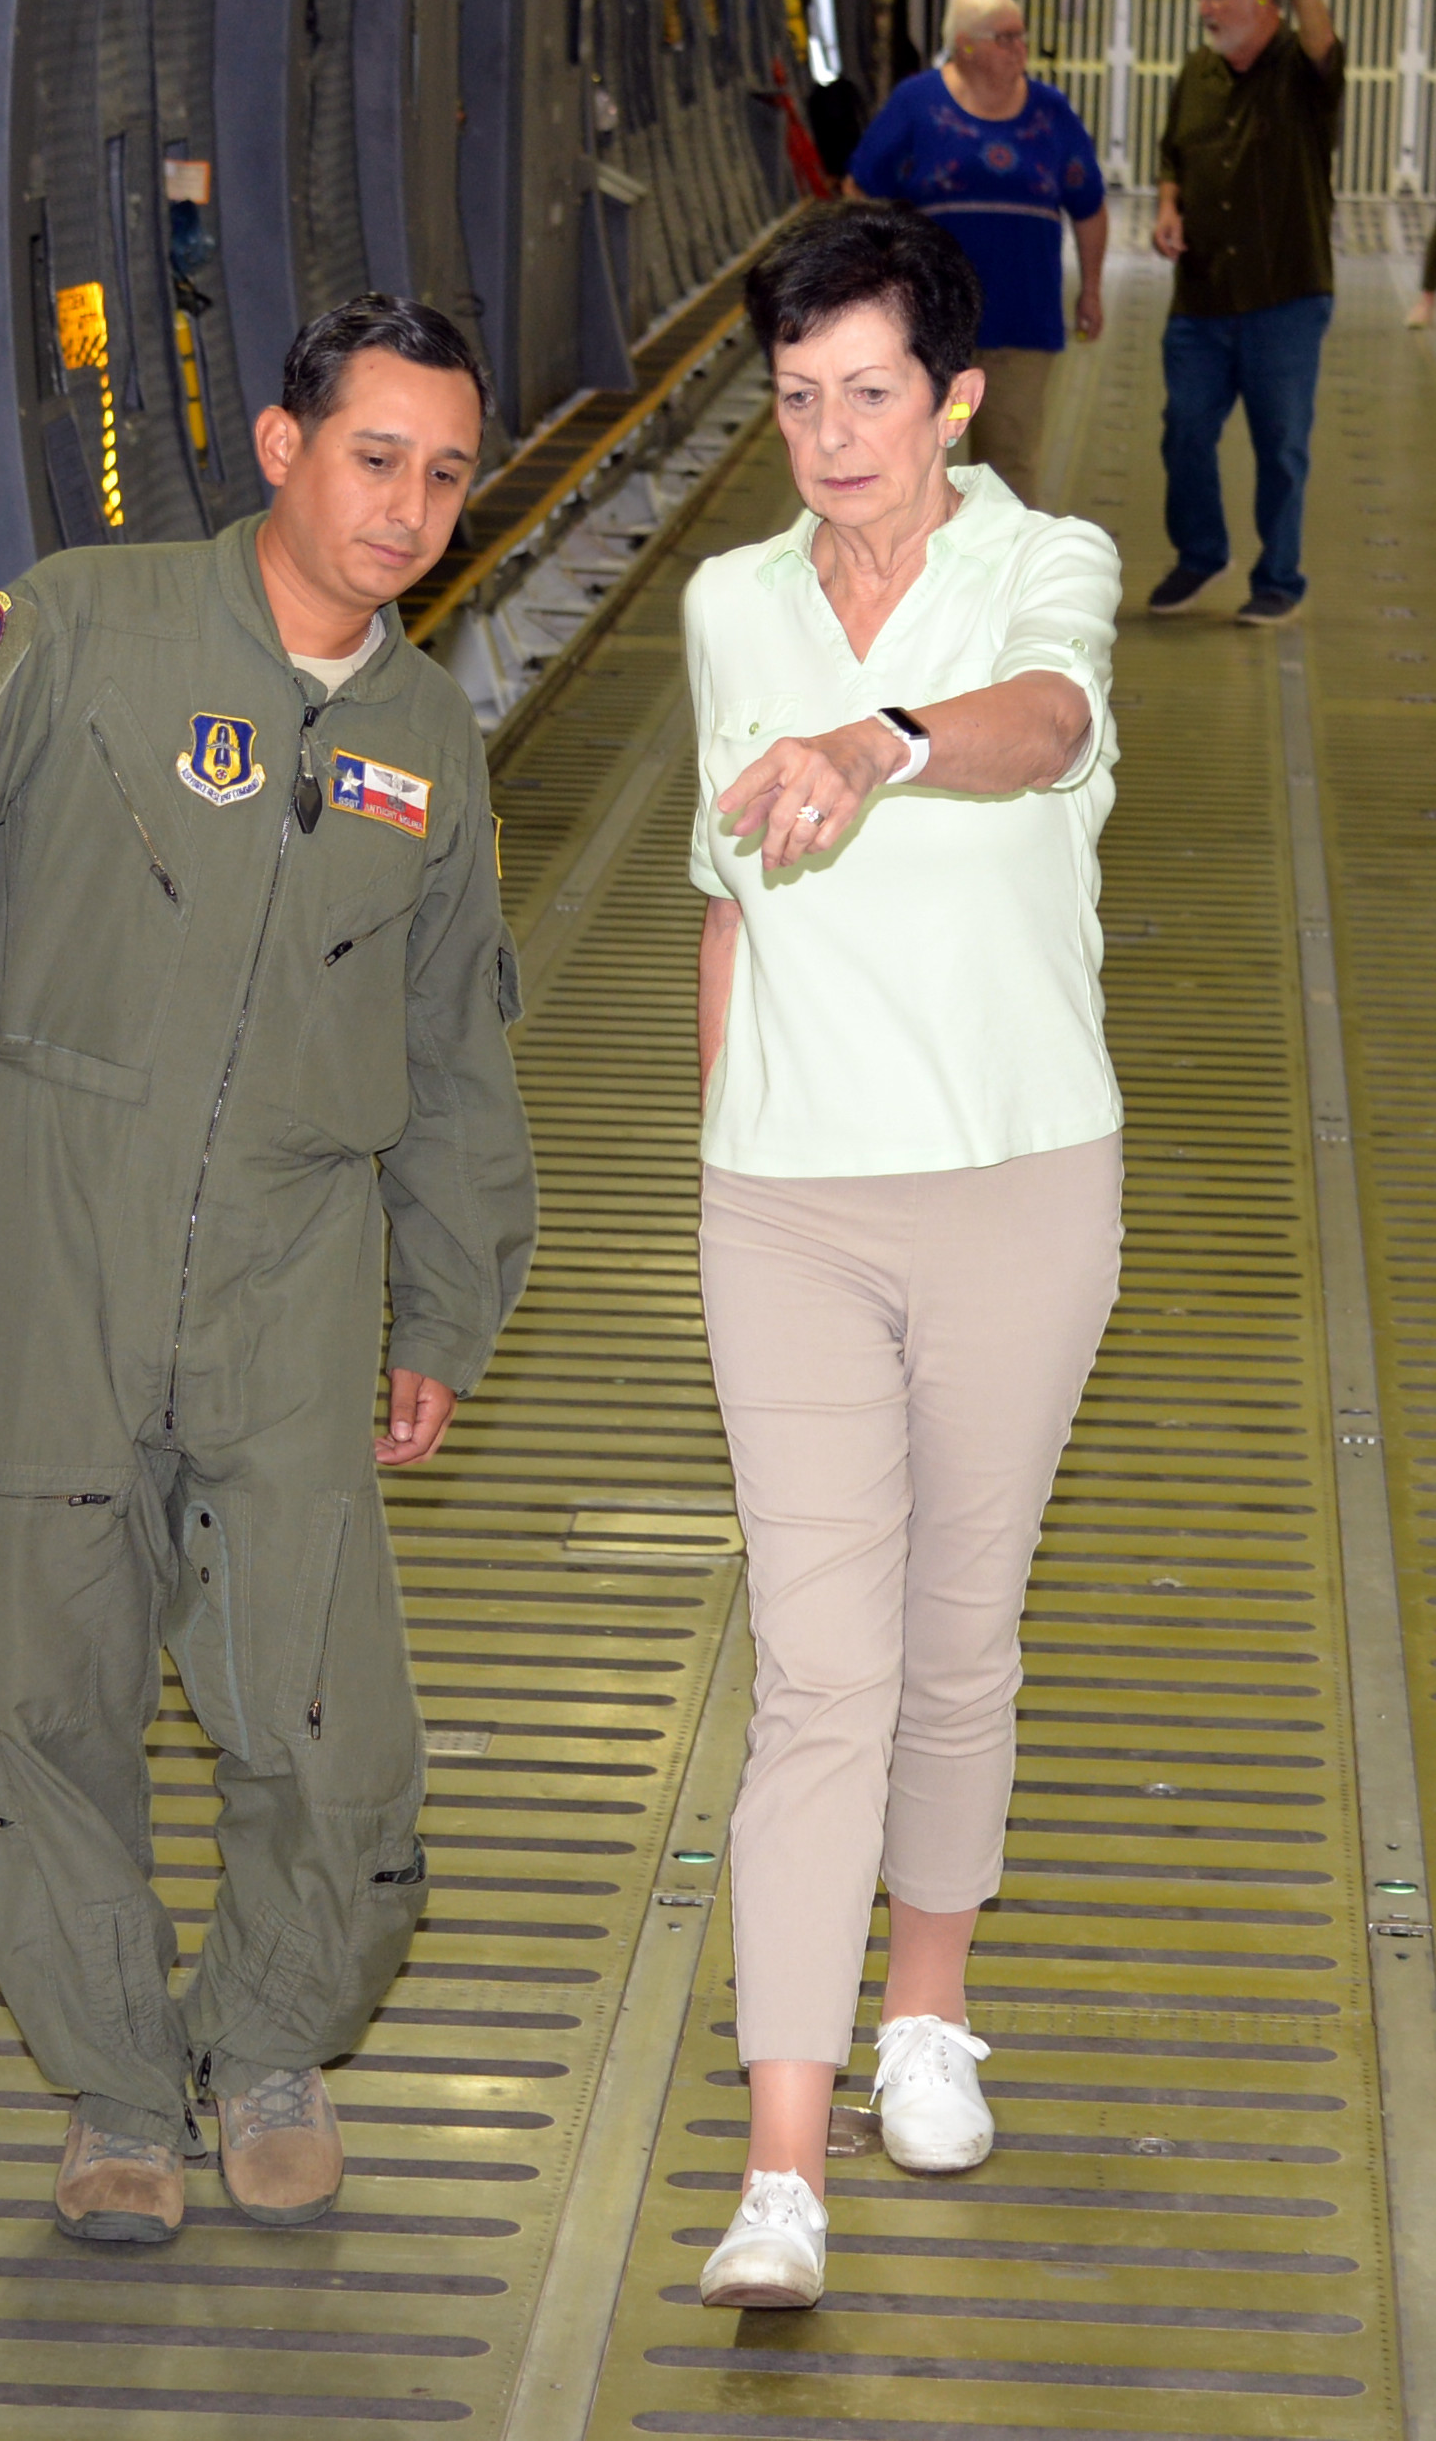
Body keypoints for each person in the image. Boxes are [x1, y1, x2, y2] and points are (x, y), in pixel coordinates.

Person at [0, 295, 537, 2245]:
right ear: (278, 445)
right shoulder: (74, 632)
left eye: (441, 471)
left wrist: (448, 1301)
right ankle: (109, 2094)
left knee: (326, 1719)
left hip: (297, 1262)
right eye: (372, 456)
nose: (406, 507)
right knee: (50, 1692)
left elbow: (454, 1042)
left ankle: (264, 2044)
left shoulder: (426, 740)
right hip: (73, 1227)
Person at [683, 200, 1123, 2310]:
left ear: (951, 393)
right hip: (787, 1197)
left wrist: (883, 740)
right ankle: (785, 2161)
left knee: (958, 1636)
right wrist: (718, 1145)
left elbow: (1040, 723)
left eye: (869, 395)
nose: (832, 439)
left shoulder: (1044, 564)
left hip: (1021, 1175)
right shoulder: (725, 604)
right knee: (818, 1671)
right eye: (794, 399)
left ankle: (927, 2008)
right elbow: (719, 897)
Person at [844, 0, 1106, 508]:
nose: (1019, 48)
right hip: (927, 325)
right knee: (912, 457)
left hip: (1022, 323)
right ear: (964, 45)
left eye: (1021, 36)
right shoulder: (917, 103)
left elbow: (1088, 204)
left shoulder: (1050, 112)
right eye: (1004, 38)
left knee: (1008, 464)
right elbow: (861, 190)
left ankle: (1003, 582)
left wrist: (1091, 290)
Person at [1148, 0, 1343, 624]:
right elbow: (1173, 153)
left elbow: (1324, 48)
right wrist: (1167, 206)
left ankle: (1278, 578)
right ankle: (1200, 555)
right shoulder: (1196, 71)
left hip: (1283, 296)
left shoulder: (1299, 69)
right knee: (1184, 430)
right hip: (1200, 295)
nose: (1204, 6)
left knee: (1279, 445)